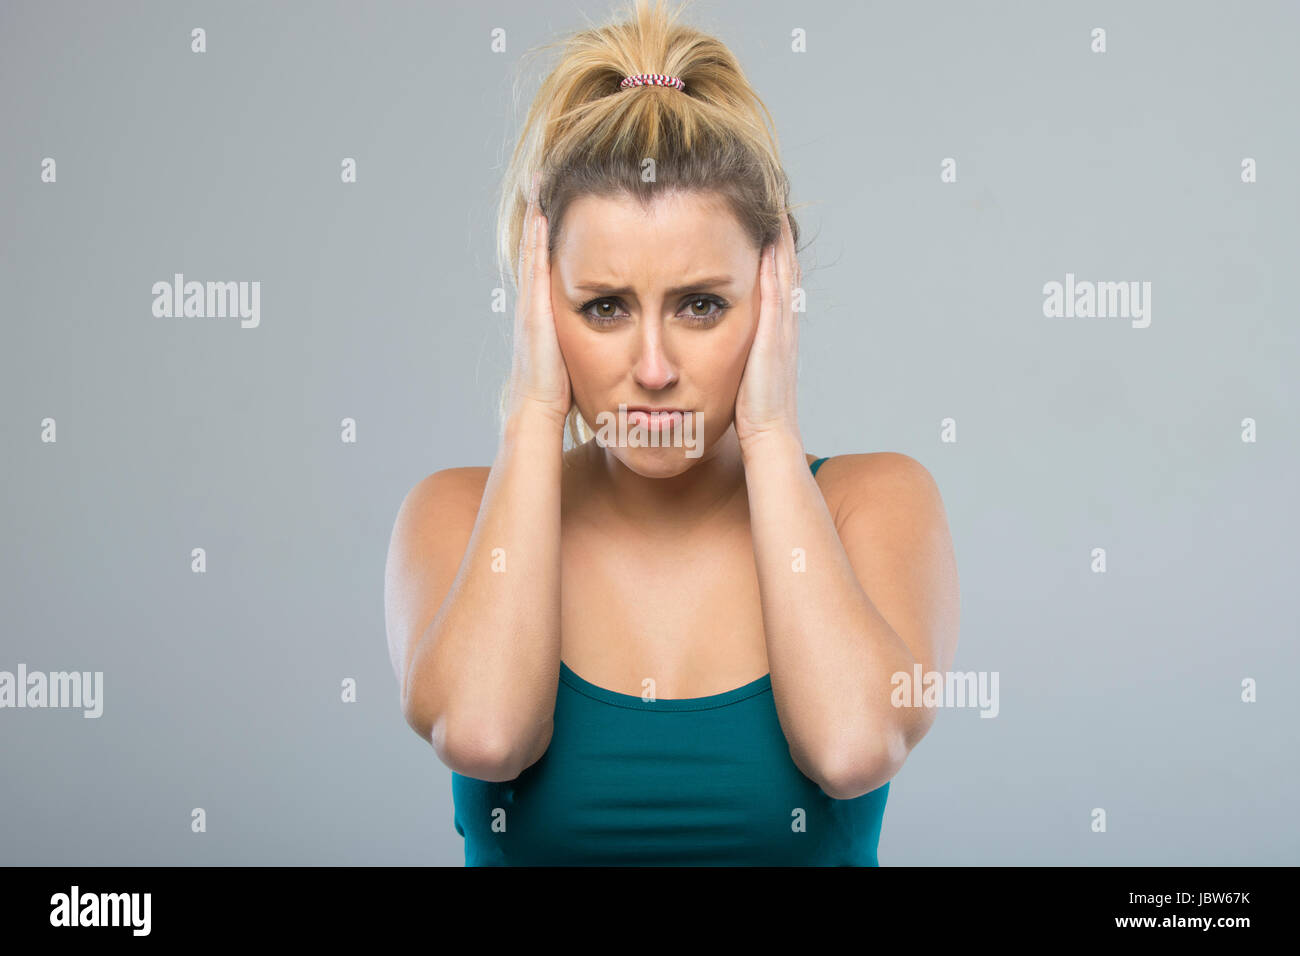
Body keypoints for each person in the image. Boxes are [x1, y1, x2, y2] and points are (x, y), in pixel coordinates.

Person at [384, 0, 959, 865]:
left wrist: (768, 432)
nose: (654, 367)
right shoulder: (455, 517)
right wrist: (536, 413)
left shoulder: (871, 504)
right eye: (604, 306)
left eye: (701, 305)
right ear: (541, 307)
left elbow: (851, 750)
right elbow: (487, 734)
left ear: (772, 293)